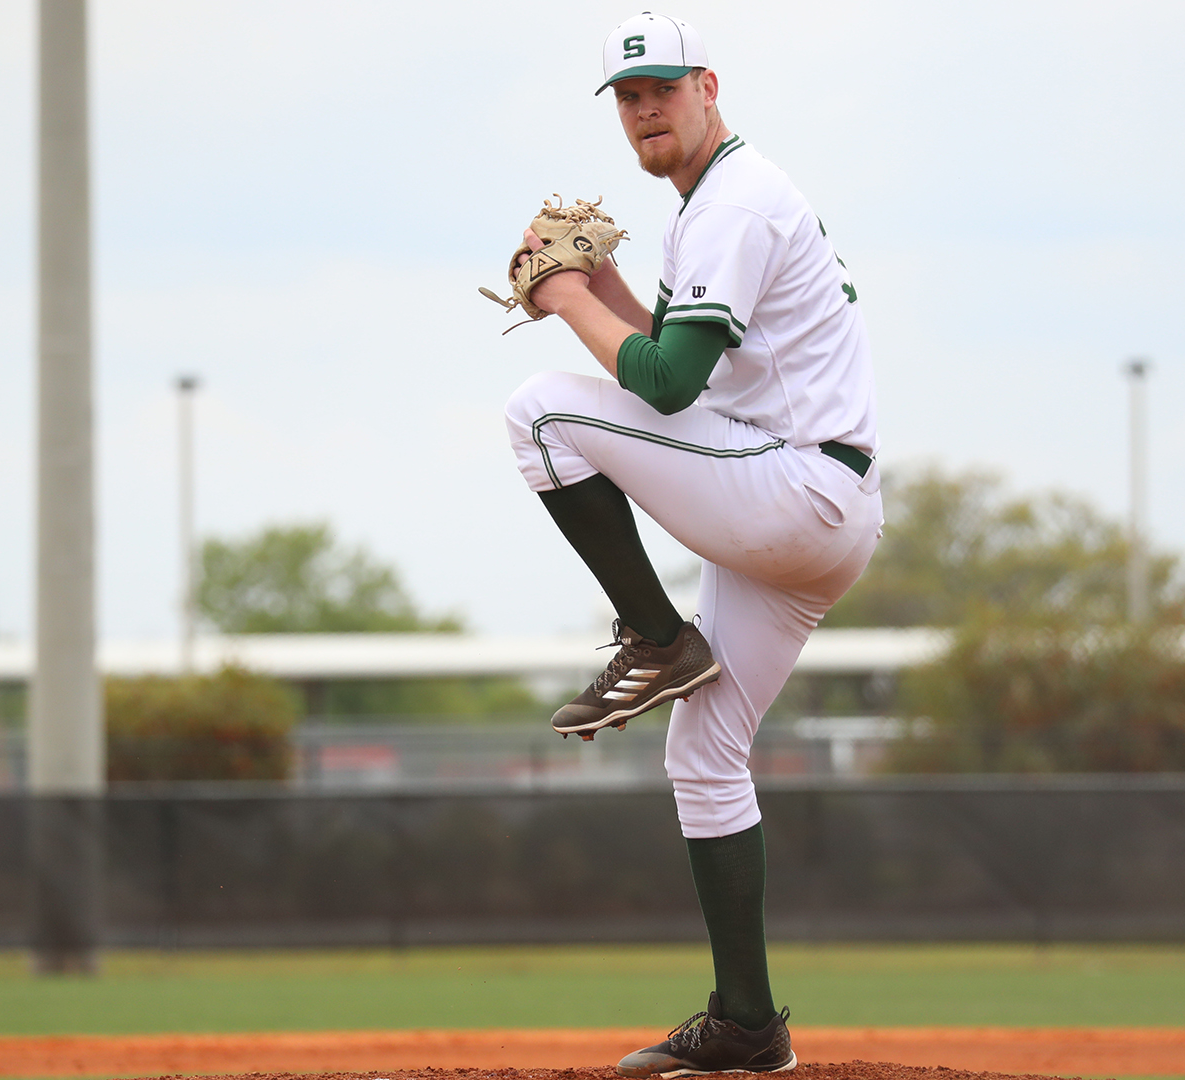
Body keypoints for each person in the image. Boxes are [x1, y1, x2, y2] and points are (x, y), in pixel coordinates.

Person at [502, 12, 881, 1077]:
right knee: (704, 753)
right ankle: (749, 1024)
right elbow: (682, 361)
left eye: (662, 89)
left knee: (538, 412)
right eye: (627, 98)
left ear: (708, 86)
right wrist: (602, 293)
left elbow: (664, 389)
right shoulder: (713, 204)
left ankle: (658, 637)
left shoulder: (739, 203)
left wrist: (568, 294)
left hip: (791, 486)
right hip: (810, 503)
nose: (645, 109)